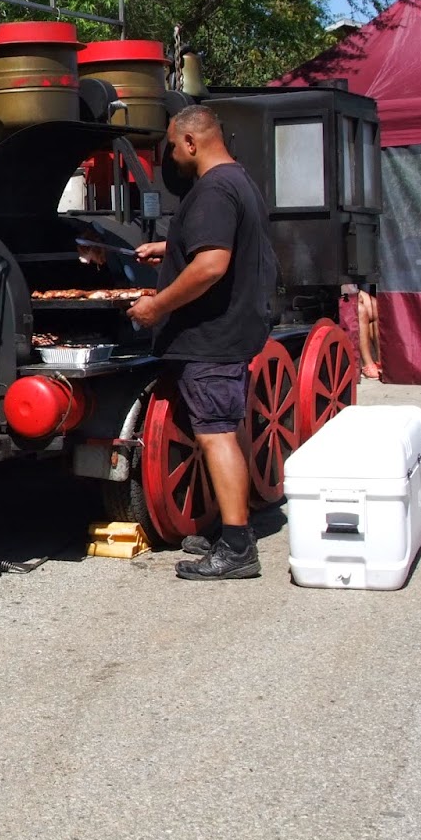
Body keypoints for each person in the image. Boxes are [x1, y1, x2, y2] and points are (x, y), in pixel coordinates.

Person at [127, 105, 277, 580]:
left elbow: (212, 265)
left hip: (212, 335)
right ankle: (232, 530)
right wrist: (168, 249)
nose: (171, 154)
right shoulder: (238, 180)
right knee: (223, 429)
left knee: (215, 435)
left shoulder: (212, 188)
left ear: (191, 142)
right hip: (231, 329)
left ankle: (236, 549)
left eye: (172, 145)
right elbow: (211, 246)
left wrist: (158, 306)